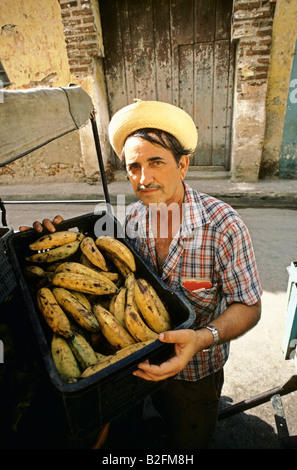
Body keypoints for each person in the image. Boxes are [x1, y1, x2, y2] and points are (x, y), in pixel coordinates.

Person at [20, 100, 262, 449]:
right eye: (134, 166)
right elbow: (90, 275)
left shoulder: (223, 226)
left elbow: (248, 305)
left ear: (183, 165)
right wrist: (49, 242)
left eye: (156, 163)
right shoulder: (127, 220)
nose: (144, 178)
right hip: (133, 362)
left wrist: (202, 338)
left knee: (189, 439)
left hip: (195, 370)